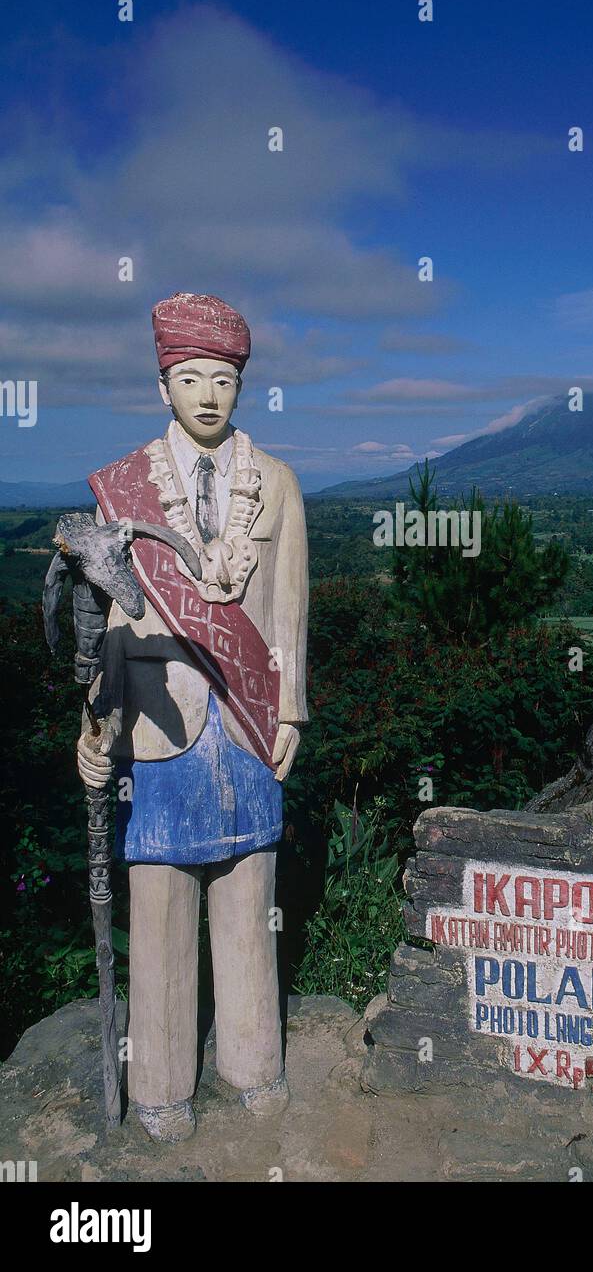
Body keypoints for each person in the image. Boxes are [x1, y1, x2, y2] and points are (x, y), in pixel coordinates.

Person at [77, 292, 309, 1142]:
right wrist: (96, 727)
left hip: (247, 724)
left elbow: (289, 609)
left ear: (241, 386)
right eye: (189, 377)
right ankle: (161, 1085)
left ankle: (253, 1062)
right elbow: (104, 628)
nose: (207, 394)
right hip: (158, 728)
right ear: (163, 385)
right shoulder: (126, 491)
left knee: (250, 898)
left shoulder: (277, 485)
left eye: (223, 379)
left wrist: (291, 710)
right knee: (161, 904)